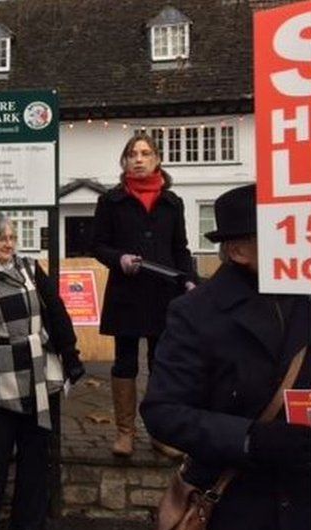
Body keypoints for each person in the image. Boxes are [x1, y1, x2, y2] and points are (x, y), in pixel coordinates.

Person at [140, 184, 311, 530]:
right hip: (239, 509)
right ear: (238, 250)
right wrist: (250, 438)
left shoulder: (309, 296)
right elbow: (163, 411)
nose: (301, 239)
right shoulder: (196, 313)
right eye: (283, 231)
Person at [0, 212, 85, 530]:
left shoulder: (28, 267)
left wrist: (71, 355)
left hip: (39, 371)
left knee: (35, 450)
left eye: (12, 237)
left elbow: (55, 310)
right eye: (2, 238)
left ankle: (29, 521)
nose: (10, 244)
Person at [91, 134, 195, 458]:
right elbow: (98, 245)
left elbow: (180, 248)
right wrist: (118, 258)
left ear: (157, 159)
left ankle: (160, 433)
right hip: (127, 292)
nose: (138, 158)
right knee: (125, 362)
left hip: (164, 293)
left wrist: (189, 280)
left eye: (145, 153)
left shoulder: (172, 202)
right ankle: (125, 432)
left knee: (160, 363)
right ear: (124, 161)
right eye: (132, 154)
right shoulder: (111, 201)